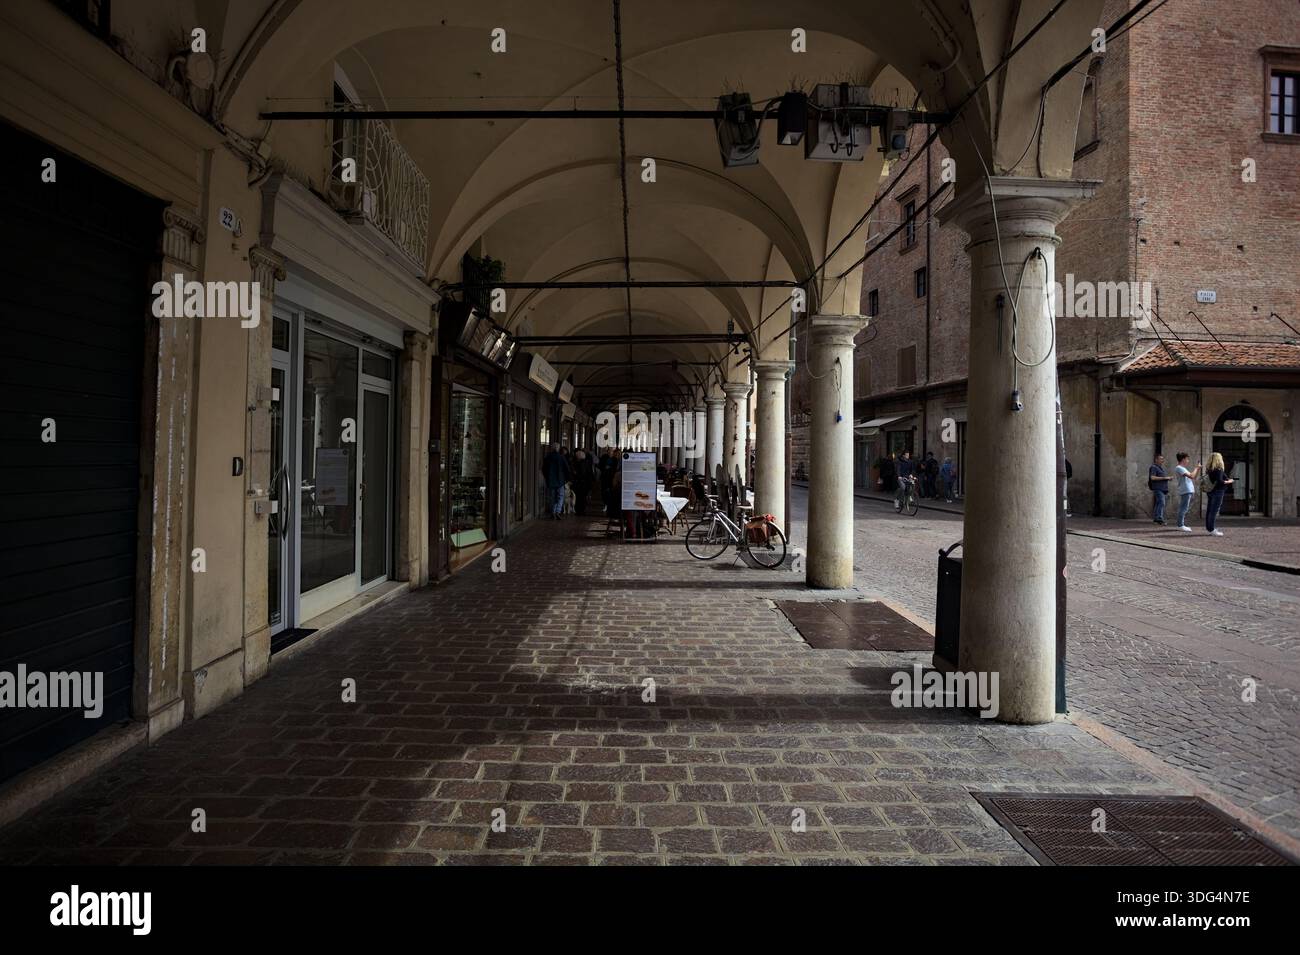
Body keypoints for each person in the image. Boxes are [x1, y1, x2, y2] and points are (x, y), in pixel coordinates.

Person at [1203, 451, 1233, 536]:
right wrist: (1229, 481)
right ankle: (1212, 530)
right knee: (1214, 511)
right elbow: (1220, 481)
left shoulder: (1209, 469)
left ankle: (1209, 528)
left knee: (1209, 510)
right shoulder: (1219, 469)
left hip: (1210, 491)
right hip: (1218, 491)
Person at [541, 441, 570, 520]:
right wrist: (566, 479)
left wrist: (547, 477)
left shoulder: (547, 457)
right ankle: (557, 511)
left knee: (552, 497)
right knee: (560, 496)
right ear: (558, 448)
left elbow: (544, 469)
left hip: (550, 481)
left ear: (552, 448)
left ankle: (553, 512)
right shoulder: (561, 457)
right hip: (560, 481)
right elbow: (567, 469)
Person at [1173, 452, 1201, 532]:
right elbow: (1192, 476)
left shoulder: (1183, 468)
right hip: (1185, 490)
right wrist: (1196, 468)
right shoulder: (1179, 468)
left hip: (1188, 490)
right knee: (1183, 508)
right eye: (1187, 459)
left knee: (1184, 508)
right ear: (1183, 459)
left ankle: (1181, 524)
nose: (1188, 461)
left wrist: (1198, 468)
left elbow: (1193, 477)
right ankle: (1180, 525)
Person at [1148, 453, 1171, 525]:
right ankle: (1159, 518)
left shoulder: (1160, 468)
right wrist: (1165, 478)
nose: (1162, 460)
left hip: (1162, 489)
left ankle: (1156, 518)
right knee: (1161, 502)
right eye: (1161, 459)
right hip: (1158, 488)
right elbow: (1152, 477)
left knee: (1158, 503)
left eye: (1163, 459)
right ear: (1156, 460)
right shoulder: (1154, 467)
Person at [572, 448, 594, 516]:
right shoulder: (587, 463)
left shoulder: (580, 463)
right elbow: (590, 473)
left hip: (581, 483)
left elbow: (581, 474)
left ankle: (579, 510)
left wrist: (575, 473)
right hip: (586, 483)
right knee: (583, 498)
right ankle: (582, 510)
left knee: (579, 497)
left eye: (576, 456)